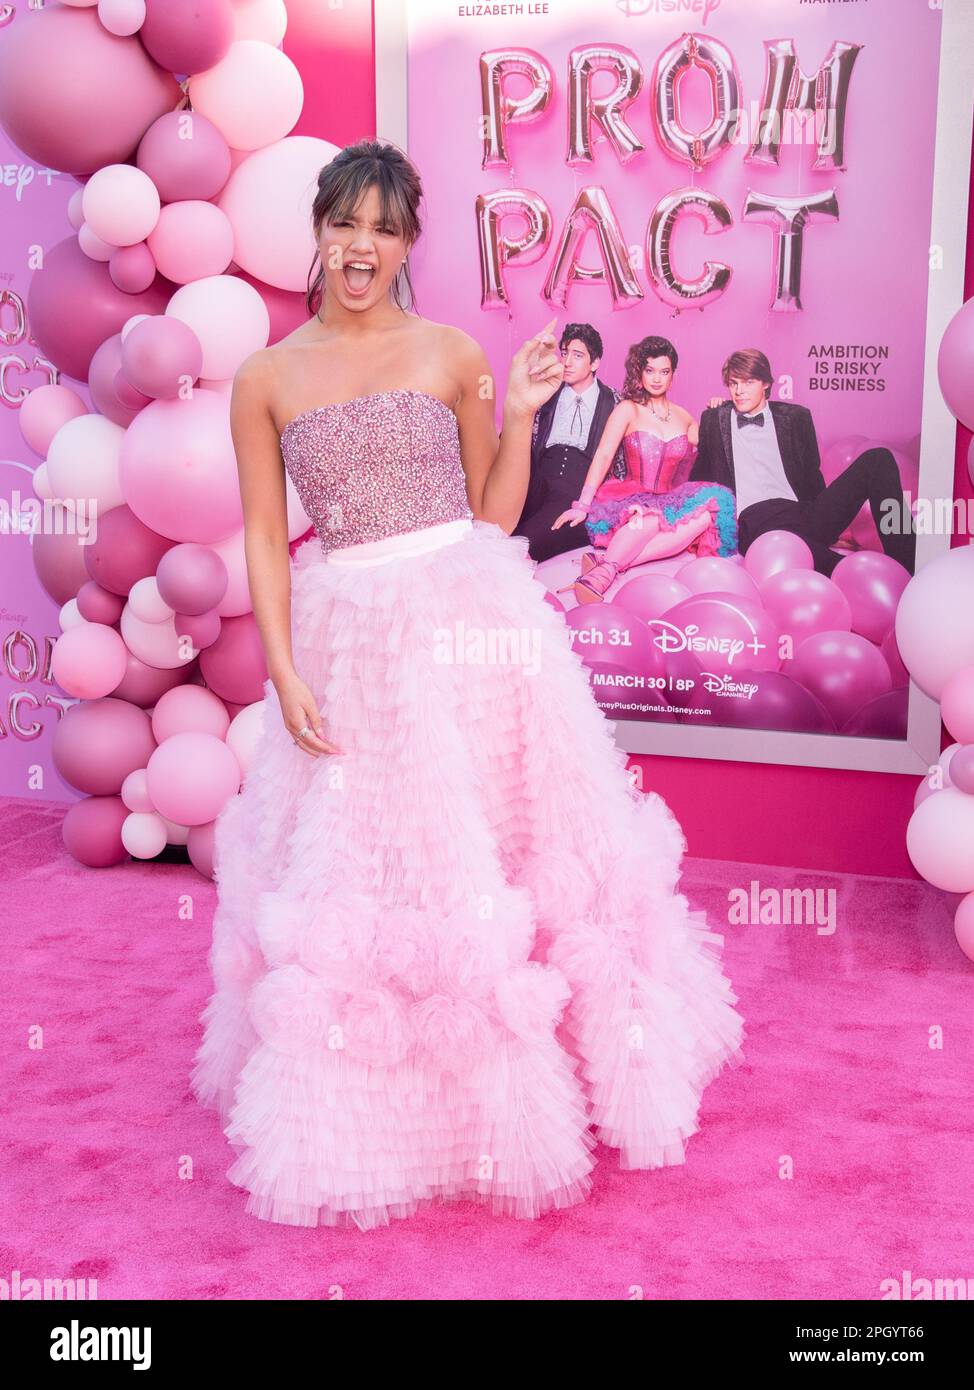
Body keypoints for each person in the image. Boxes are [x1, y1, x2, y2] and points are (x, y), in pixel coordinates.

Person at [189, 140, 744, 1233]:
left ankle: (573, 1064)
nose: (361, 248)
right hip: (352, 634)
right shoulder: (266, 375)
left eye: (384, 229)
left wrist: (527, 408)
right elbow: (261, 529)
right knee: (385, 869)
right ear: (319, 229)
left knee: (509, 844)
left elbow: (491, 514)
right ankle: (404, 1104)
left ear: (406, 243)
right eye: (345, 223)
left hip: (474, 623)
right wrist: (281, 663)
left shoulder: (450, 352)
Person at [691, 348, 916, 576]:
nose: (739, 391)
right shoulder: (714, 419)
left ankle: (908, 561)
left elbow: (812, 476)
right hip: (754, 519)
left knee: (879, 459)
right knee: (802, 548)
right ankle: (855, 572)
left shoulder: (796, 418)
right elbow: (698, 481)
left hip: (803, 511)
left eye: (748, 382)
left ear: (766, 383)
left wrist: (829, 522)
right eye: (733, 383)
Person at [551, 336, 738, 604]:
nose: (657, 379)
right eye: (650, 370)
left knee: (708, 514)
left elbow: (715, 444)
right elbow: (603, 456)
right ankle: (604, 573)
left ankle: (608, 560)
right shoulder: (628, 410)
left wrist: (722, 409)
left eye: (664, 372)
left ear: (673, 376)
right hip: (632, 497)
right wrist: (582, 504)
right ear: (640, 372)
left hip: (671, 497)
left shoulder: (685, 417)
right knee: (648, 517)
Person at [513, 323, 625, 563]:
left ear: (595, 363)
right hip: (535, 483)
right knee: (498, 531)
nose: (567, 362)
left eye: (577, 355)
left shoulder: (615, 401)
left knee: (524, 544)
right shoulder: (546, 394)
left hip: (577, 488)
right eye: (564, 353)